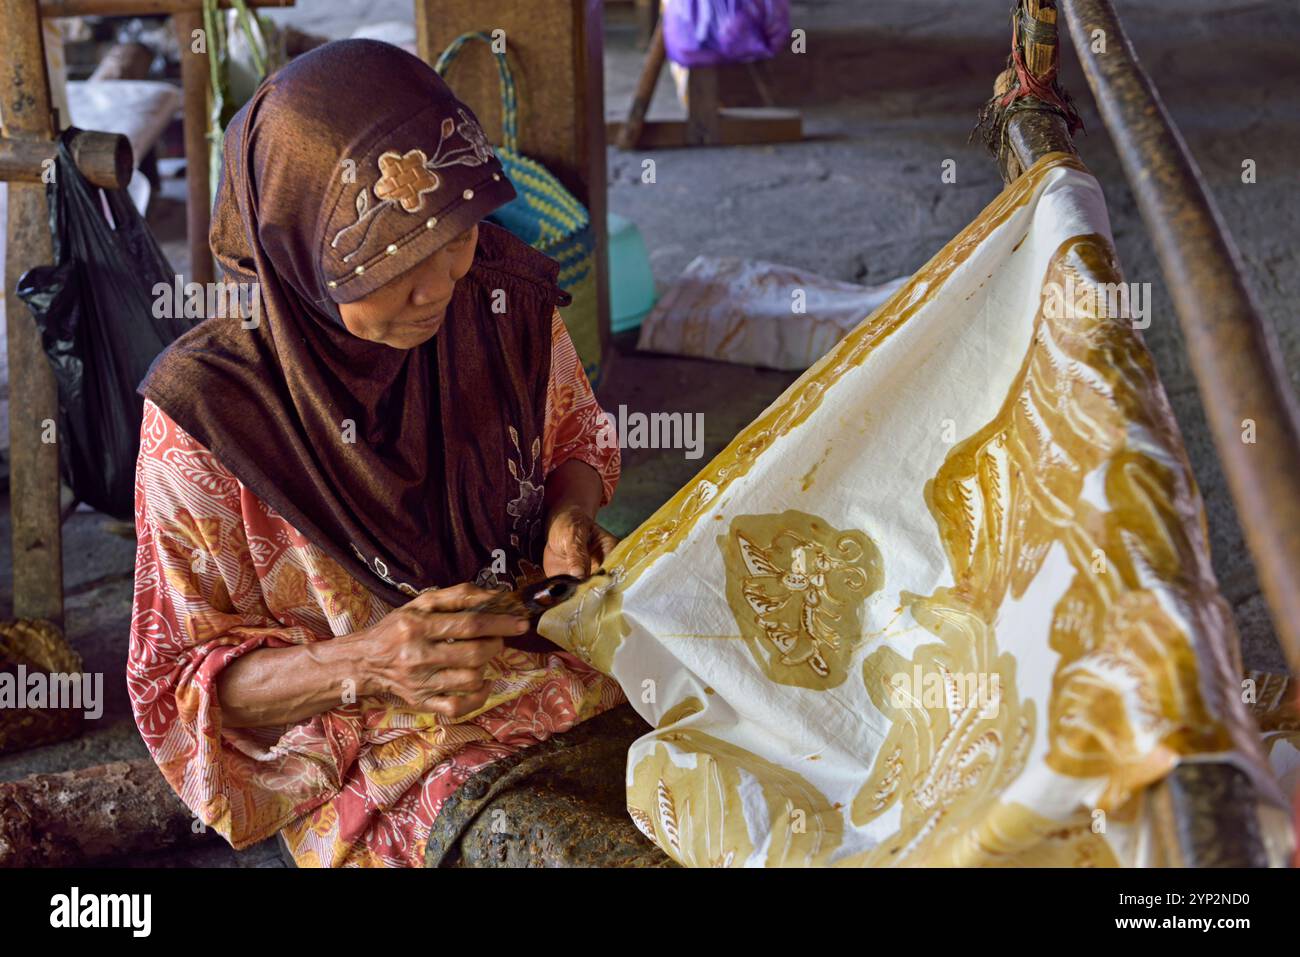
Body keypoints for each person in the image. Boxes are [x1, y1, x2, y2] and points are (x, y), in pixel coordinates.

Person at [128, 39, 625, 867]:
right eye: (391, 264)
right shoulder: (213, 419)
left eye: (456, 238)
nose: (438, 286)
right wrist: (367, 662)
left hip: (566, 664)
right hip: (389, 750)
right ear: (297, 253)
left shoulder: (500, 295)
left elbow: (569, 435)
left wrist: (569, 516)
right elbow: (182, 688)